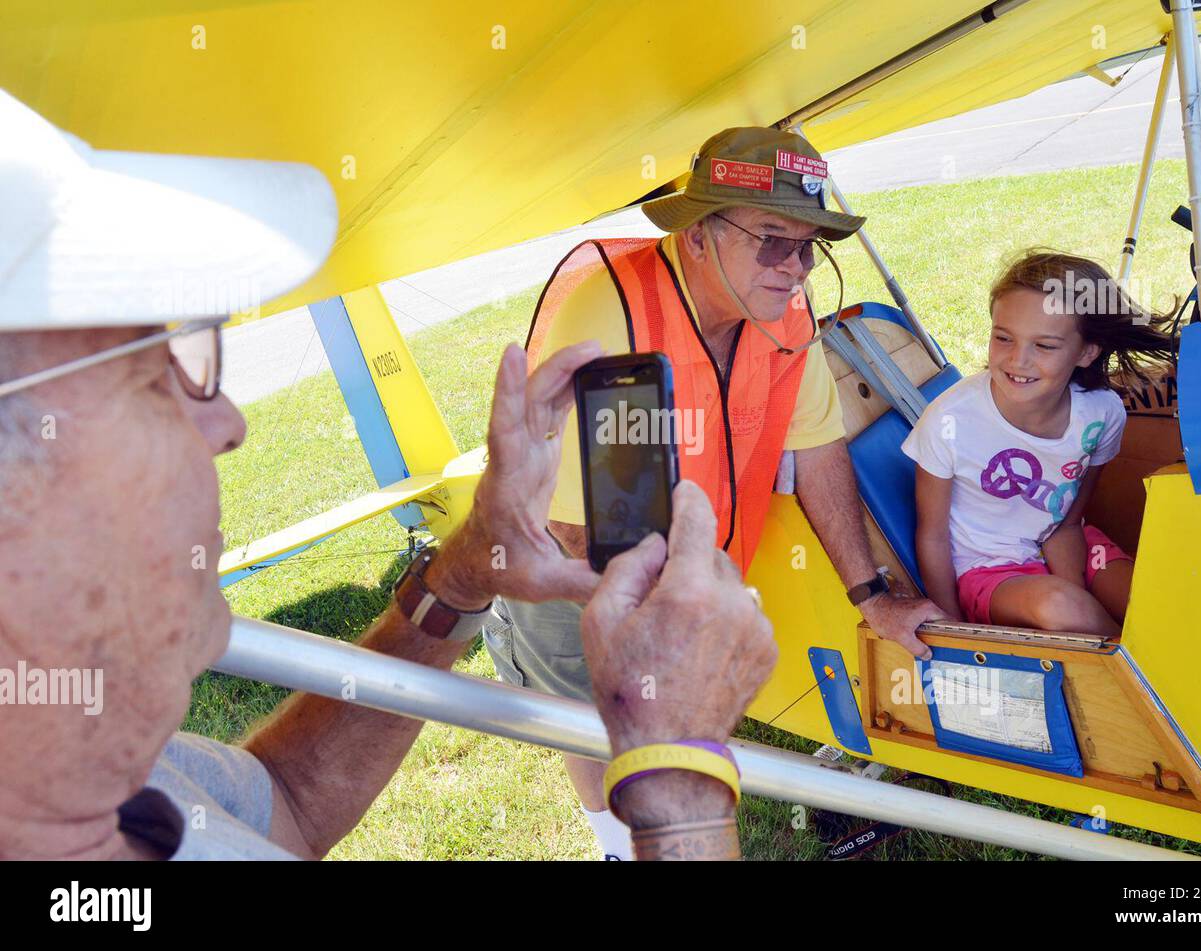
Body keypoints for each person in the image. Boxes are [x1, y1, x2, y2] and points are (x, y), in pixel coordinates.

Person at [0, 88, 775, 861]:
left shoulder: (94, 773)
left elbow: (289, 805)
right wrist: (679, 796)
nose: (226, 423)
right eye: (149, 372)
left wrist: (464, 573)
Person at [486, 126, 945, 859]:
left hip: (672, 567)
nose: (793, 268)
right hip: (567, 576)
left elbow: (818, 444)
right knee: (610, 739)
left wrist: (870, 594)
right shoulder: (618, 322)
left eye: (807, 247)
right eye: (771, 239)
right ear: (699, 233)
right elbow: (581, 538)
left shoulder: (782, 311)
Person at [905, 250, 1177, 637]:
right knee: (1060, 607)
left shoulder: (1102, 414)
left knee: (1155, 608)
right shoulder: (949, 421)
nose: (1019, 360)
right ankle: (1150, 685)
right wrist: (955, 630)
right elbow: (931, 535)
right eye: (1003, 338)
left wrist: (1079, 592)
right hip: (988, 571)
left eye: (1045, 346)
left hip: (1070, 547)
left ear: (1086, 352)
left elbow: (1067, 524)